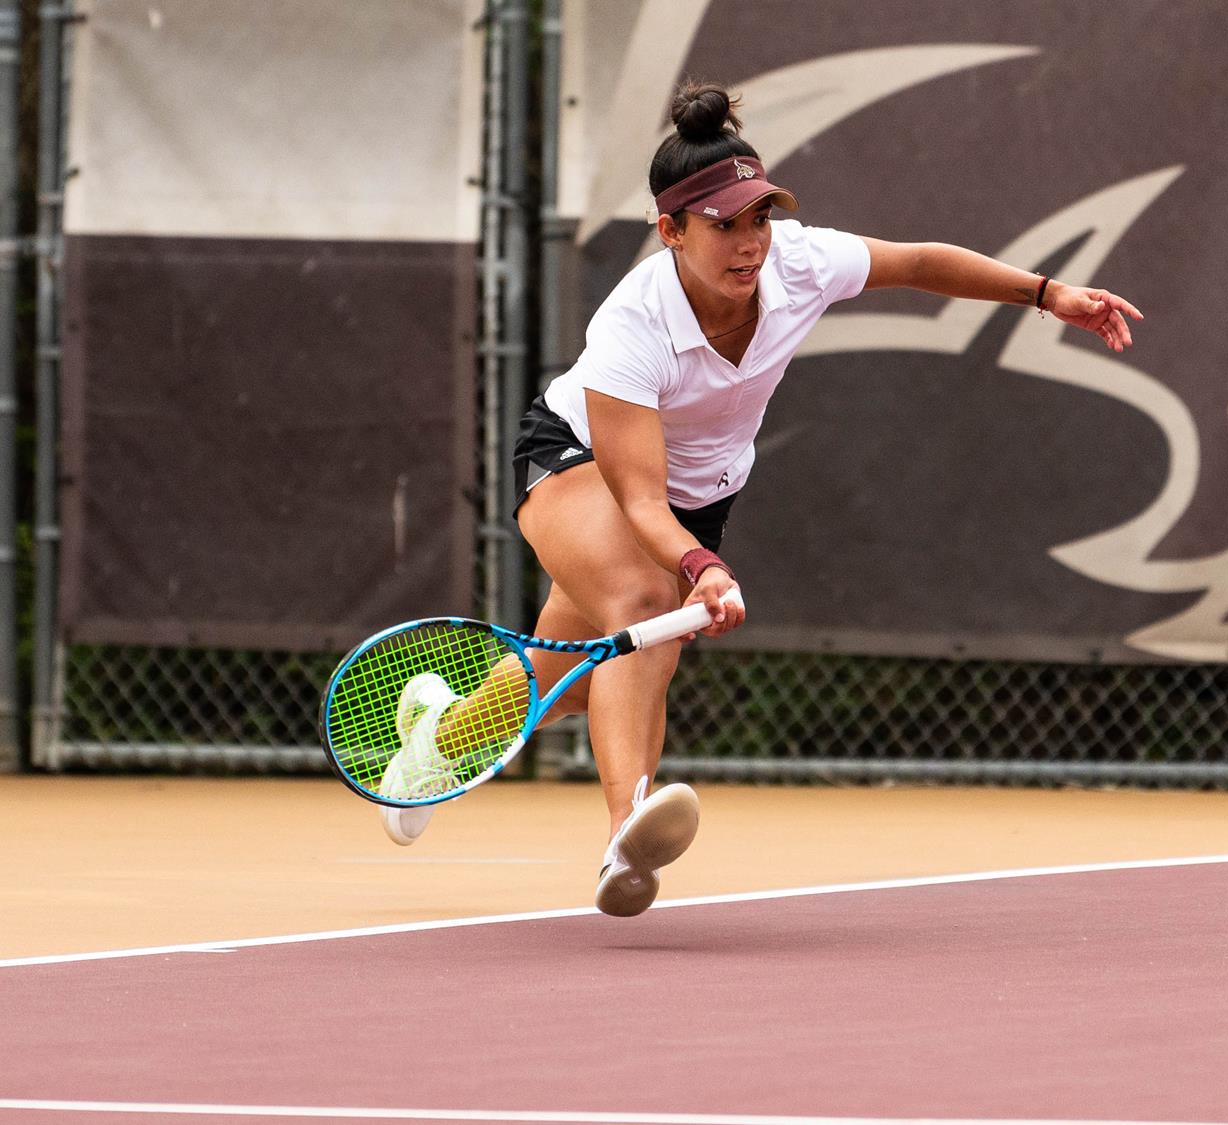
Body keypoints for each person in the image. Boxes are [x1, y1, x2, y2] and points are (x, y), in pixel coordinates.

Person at [377, 80, 1142, 917]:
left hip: (697, 495)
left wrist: (1046, 294)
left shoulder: (800, 261)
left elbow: (919, 262)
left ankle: (437, 736)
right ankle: (625, 835)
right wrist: (699, 567)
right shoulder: (632, 325)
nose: (749, 243)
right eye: (724, 225)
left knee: (563, 670)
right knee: (643, 609)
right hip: (580, 462)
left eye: (760, 218)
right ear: (670, 230)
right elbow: (637, 499)